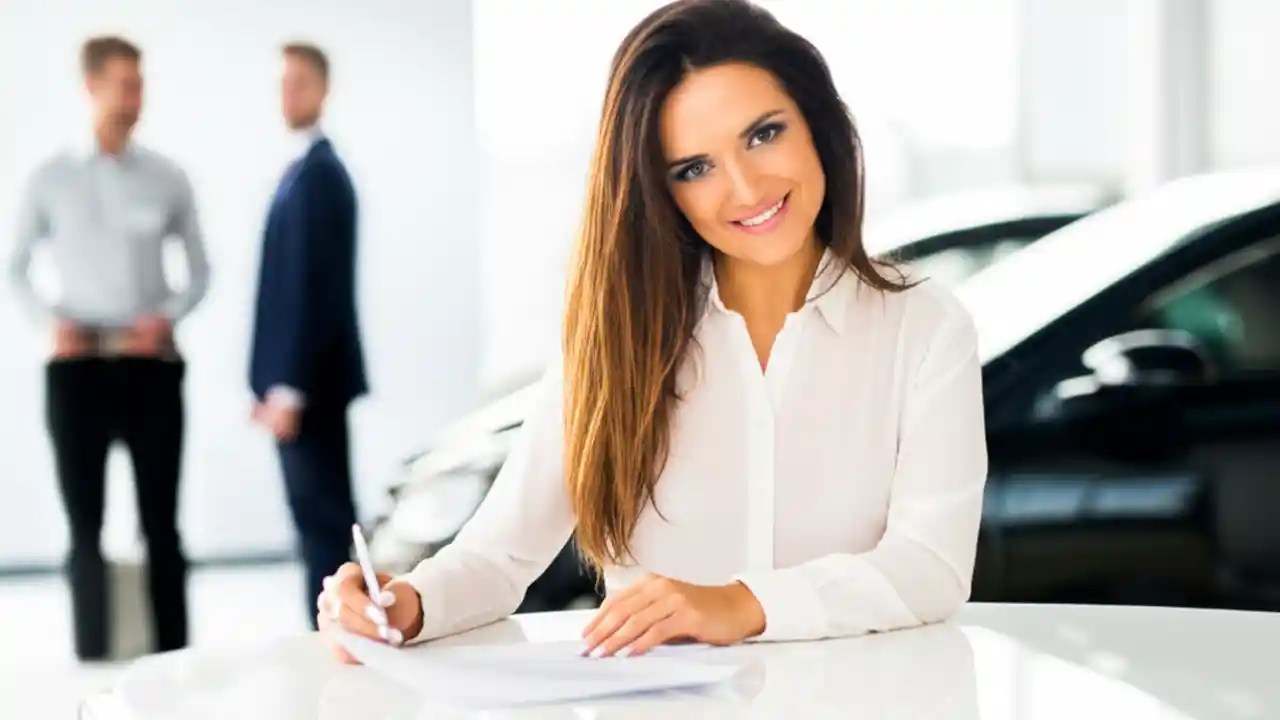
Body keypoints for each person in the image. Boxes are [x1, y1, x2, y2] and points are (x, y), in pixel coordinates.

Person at [320, 0, 986, 659]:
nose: (746, 187)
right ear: (658, 190)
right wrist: (400, 608)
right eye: (694, 168)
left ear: (819, 125)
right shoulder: (614, 339)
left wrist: (739, 604)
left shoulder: (925, 328)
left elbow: (930, 566)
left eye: (763, 134)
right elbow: (499, 556)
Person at [9, 36, 209, 660]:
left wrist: (167, 316)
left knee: (163, 528)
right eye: (124, 85)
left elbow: (200, 270)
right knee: (84, 529)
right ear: (90, 86)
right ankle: (91, 663)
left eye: (140, 84)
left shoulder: (168, 177)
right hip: (77, 373)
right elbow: (14, 268)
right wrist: (48, 321)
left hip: (150, 369)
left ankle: (178, 660)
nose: (135, 98)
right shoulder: (51, 179)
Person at [249, 42, 367, 625]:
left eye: (299, 82)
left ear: (322, 89)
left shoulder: (321, 175)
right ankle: (331, 633)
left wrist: (287, 389)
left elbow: (309, 294)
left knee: (322, 524)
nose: (287, 95)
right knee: (315, 521)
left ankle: (334, 637)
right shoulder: (302, 171)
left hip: (312, 387)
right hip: (301, 386)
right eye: (282, 83)